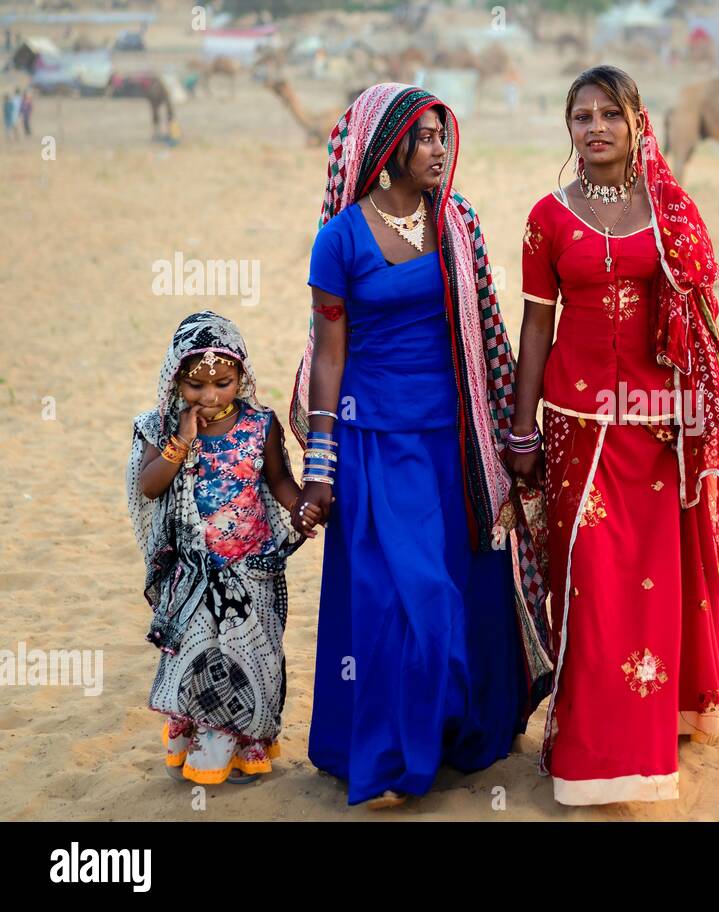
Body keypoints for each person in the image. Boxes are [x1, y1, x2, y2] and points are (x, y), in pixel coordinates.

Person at [291, 82, 552, 809]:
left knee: (461, 590)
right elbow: (329, 355)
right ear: (389, 149)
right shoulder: (340, 240)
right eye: (426, 138)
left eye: (443, 136)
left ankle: (450, 737)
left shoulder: (457, 223)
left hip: (456, 442)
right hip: (375, 440)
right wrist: (320, 465)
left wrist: (507, 434)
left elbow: (485, 328)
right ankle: (386, 755)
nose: (440, 150)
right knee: (395, 599)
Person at [507, 65, 719, 805]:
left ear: (639, 122)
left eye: (611, 113)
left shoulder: (672, 212)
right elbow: (535, 326)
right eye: (582, 116)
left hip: (658, 427)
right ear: (568, 128)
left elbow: (699, 325)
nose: (597, 127)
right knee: (591, 586)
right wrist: (521, 427)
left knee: (650, 590)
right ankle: (591, 753)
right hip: (575, 428)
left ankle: (647, 742)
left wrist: (694, 419)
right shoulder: (547, 218)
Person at [127, 311, 307, 785]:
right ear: (176, 380)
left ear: (241, 377)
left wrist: (301, 508)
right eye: (196, 385)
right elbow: (149, 487)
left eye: (223, 384)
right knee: (201, 658)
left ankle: (243, 751)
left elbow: (279, 481)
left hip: (252, 568)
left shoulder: (261, 425)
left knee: (253, 659)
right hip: (194, 572)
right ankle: (202, 753)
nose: (210, 396)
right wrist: (181, 442)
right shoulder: (162, 427)